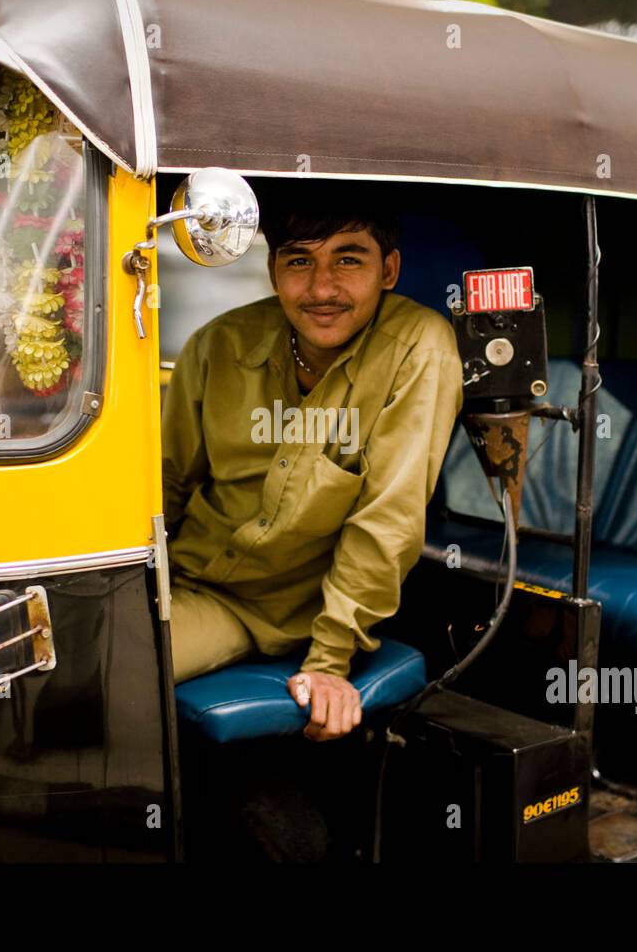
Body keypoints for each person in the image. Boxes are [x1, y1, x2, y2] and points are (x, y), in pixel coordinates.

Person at [161, 189, 463, 741]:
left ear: (389, 269)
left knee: (116, 672)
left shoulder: (419, 348)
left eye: (348, 259)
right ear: (273, 271)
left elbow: (387, 518)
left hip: (278, 614)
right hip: (186, 580)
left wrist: (329, 661)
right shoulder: (217, 344)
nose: (322, 288)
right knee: (71, 657)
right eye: (299, 260)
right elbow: (167, 482)